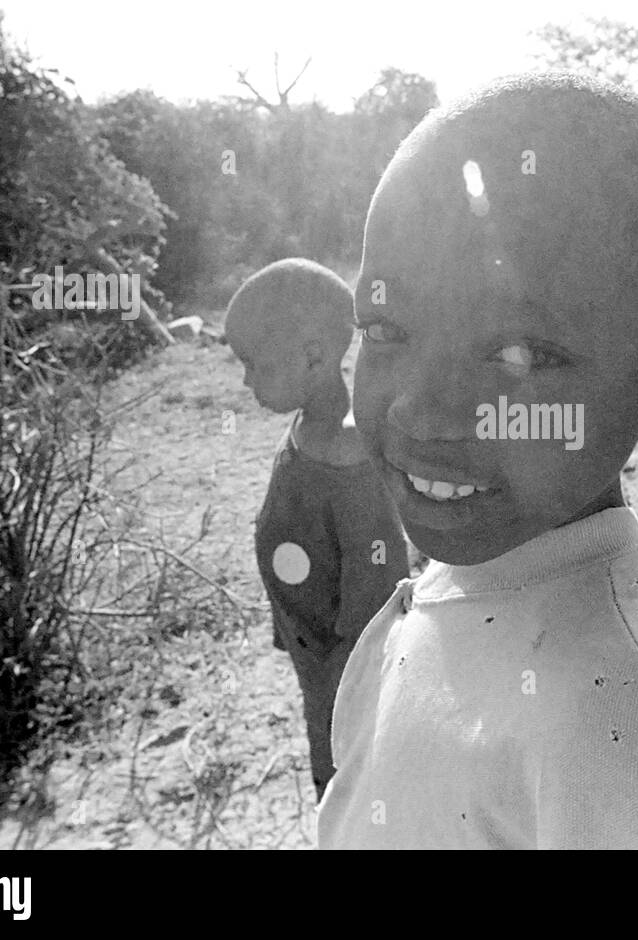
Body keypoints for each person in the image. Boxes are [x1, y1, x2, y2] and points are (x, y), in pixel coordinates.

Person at [315, 72, 638, 850]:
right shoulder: (474, 567)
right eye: (386, 329)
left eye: (522, 353)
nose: (419, 410)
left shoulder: (623, 721)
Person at [224, 258, 408, 799]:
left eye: (255, 363)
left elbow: (377, 577)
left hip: (345, 662)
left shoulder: (350, 454)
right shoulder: (307, 428)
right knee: (329, 762)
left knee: (352, 771)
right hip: (314, 644)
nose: (245, 379)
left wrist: (340, 672)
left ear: (312, 356)